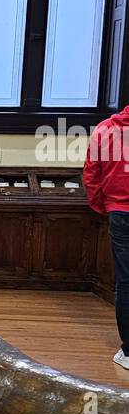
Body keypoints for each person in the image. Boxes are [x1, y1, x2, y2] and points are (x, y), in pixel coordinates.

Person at [83, 106, 129, 370]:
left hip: (119, 213)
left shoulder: (105, 130)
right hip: (119, 210)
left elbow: (92, 173)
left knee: (126, 283)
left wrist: (102, 205)